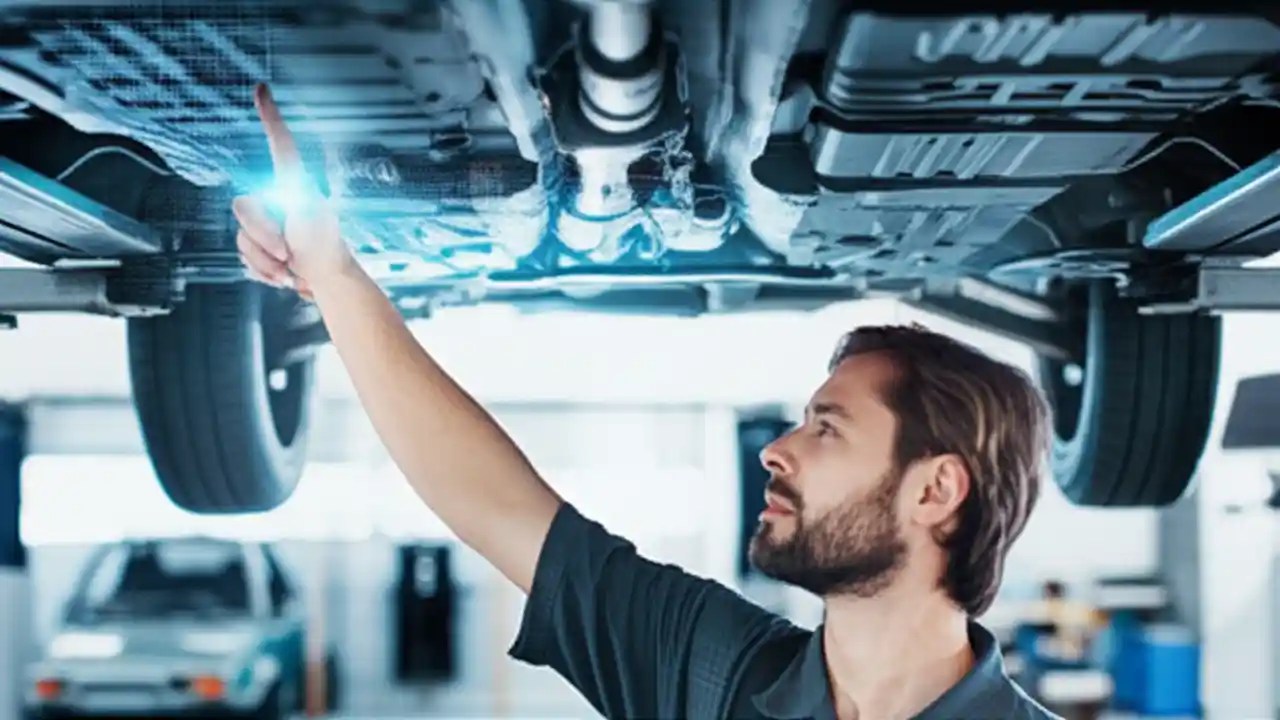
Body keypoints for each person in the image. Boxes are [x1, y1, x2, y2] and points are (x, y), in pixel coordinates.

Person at [234, 83, 1060, 719]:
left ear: (935, 490)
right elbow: (499, 509)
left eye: (829, 429)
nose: (779, 449)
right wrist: (336, 282)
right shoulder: (713, 671)